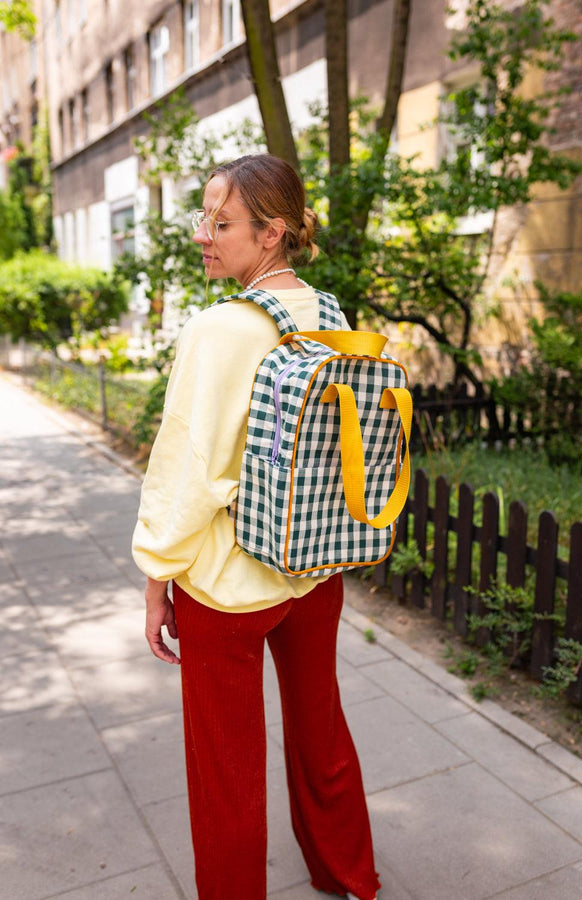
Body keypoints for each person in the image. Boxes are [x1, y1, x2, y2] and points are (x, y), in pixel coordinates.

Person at [132, 153, 380, 900]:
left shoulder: (219, 330)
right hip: (314, 567)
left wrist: (157, 576)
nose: (202, 235)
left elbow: (190, 468)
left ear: (272, 233)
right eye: (203, 217)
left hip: (228, 588)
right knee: (321, 731)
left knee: (227, 773)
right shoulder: (331, 315)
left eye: (221, 221)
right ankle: (348, 873)